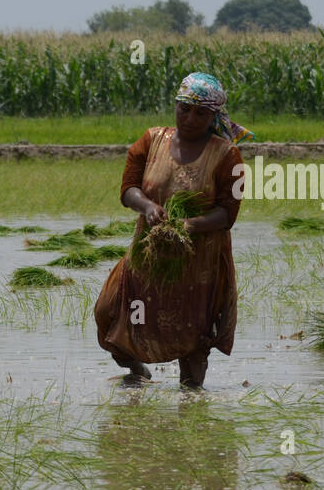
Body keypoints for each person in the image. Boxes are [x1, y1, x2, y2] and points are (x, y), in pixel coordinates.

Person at [93, 72, 252, 389]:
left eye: (200, 113)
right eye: (184, 108)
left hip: (196, 264)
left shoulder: (226, 156)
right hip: (147, 255)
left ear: (214, 116)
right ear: (176, 106)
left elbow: (226, 213)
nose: (190, 118)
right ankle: (137, 371)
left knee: (192, 339)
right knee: (110, 314)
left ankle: (191, 407)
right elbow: (128, 189)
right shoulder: (152, 141)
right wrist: (149, 207)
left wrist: (187, 225)